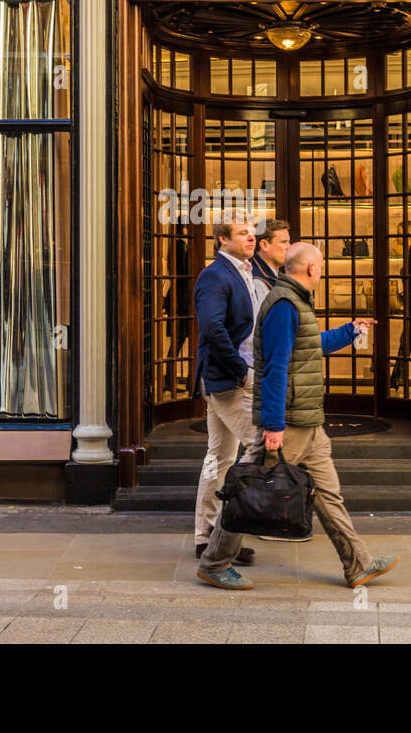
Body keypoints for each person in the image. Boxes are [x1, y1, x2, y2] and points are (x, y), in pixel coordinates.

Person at [197, 242, 399, 590]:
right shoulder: (284, 306)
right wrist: (274, 425)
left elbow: (308, 345)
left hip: (309, 422)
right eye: (321, 265)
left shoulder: (295, 302)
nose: (322, 270)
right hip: (288, 423)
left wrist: (349, 331)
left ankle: (359, 564)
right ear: (310, 269)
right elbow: (276, 367)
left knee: (328, 493)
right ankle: (214, 562)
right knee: (248, 489)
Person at [191, 217, 261, 564]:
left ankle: (207, 538)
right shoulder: (215, 275)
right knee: (263, 447)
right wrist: (241, 372)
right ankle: (224, 538)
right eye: (243, 233)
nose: (251, 236)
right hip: (227, 382)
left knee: (217, 459)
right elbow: (212, 329)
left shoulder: (243, 271)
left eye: (252, 231)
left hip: (227, 380)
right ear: (222, 239)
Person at [250, 219, 290, 302]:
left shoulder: (269, 275)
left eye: (288, 242)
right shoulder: (257, 282)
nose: (289, 247)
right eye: (284, 242)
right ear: (264, 245)